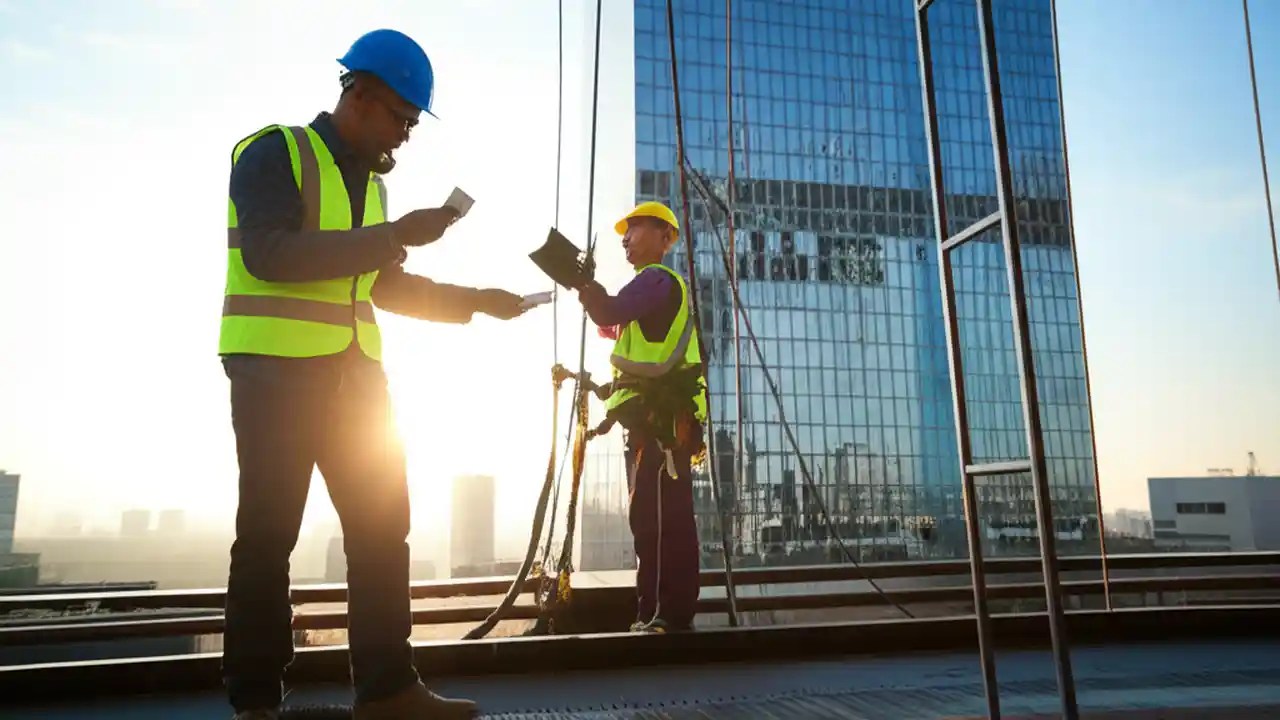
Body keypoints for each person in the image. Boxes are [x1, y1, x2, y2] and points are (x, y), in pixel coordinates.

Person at [219, 29, 525, 720]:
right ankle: (257, 707)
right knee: (269, 539)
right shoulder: (275, 152)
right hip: (276, 374)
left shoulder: (372, 190)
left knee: (383, 531)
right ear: (358, 94)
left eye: (414, 124)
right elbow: (270, 255)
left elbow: (384, 287)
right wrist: (395, 236)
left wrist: (479, 304)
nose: (406, 136)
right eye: (401, 118)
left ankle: (388, 690)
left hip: (357, 382)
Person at [575, 201, 706, 634]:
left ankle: (666, 614)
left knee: (661, 520)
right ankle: (654, 612)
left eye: (634, 229)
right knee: (651, 520)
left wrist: (585, 286)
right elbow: (610, 320)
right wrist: (591, 295)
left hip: (661, 422)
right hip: (652, 423)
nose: (625, 239)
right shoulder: (649, 288)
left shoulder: (658, 281)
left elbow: (610, 311)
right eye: (624, 233)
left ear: (663, 236)